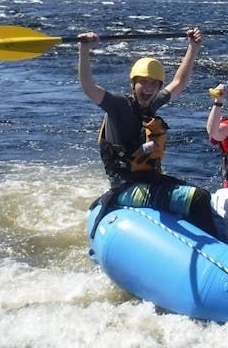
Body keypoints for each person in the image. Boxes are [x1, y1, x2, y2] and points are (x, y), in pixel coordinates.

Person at [79, 28, 217, 237]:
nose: (148, 88)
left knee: (203, 196)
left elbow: (179, 83)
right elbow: (89, 87)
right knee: (198, 198)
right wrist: (84, 51)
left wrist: (193, 48)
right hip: (126, 188)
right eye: (143, 82)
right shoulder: (118, 106)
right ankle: (217, 251)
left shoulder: (151, 106)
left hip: (148, 180)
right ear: (133, 83)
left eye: (154, 84)